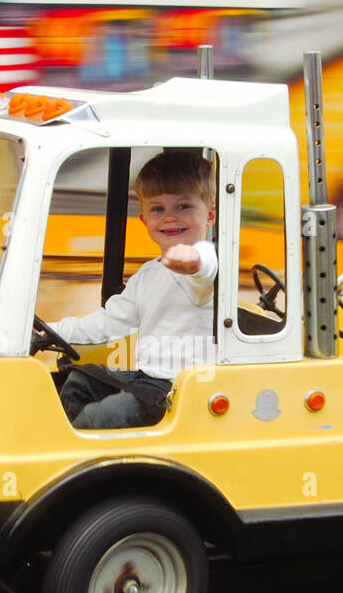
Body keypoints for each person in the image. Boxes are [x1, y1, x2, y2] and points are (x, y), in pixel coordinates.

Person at [48, 150, 218, 429]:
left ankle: (74, 454)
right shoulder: (149, 273)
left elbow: (207, 268)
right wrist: (52, 331)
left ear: (210, 215)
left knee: (99, 417)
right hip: (148, 376)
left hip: (181, 389)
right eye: (158, 209)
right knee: (78, 382)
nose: (170, 217)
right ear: (144, 220)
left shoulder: (204, 262)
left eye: (183, 206)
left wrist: (194, 261)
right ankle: (76, 446)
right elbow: (108, 322)